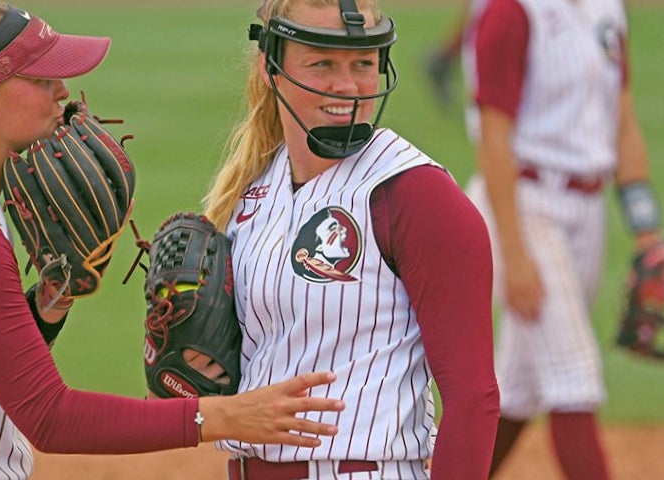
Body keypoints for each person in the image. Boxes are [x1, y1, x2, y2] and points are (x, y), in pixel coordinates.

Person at [0, 2, 348, 479]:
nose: (63, 90)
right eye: (42, 77)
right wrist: (224, 416)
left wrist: (49, 303)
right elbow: (49, 417)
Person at [201, 0, 500, 478]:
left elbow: (474, 398)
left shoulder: (416, 194)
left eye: (363, 63)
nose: (347, 86)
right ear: (270, 67)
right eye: (322, 63)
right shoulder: (253, 191)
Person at [461, 0, 664, 478]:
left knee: (520, 384)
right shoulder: (511, 12)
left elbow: (623, 112)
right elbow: (493, 134)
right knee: (573, 376)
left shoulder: (606, 9)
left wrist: (649, 233)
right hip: (524, 200)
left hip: (588, 209)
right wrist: (513, 254)